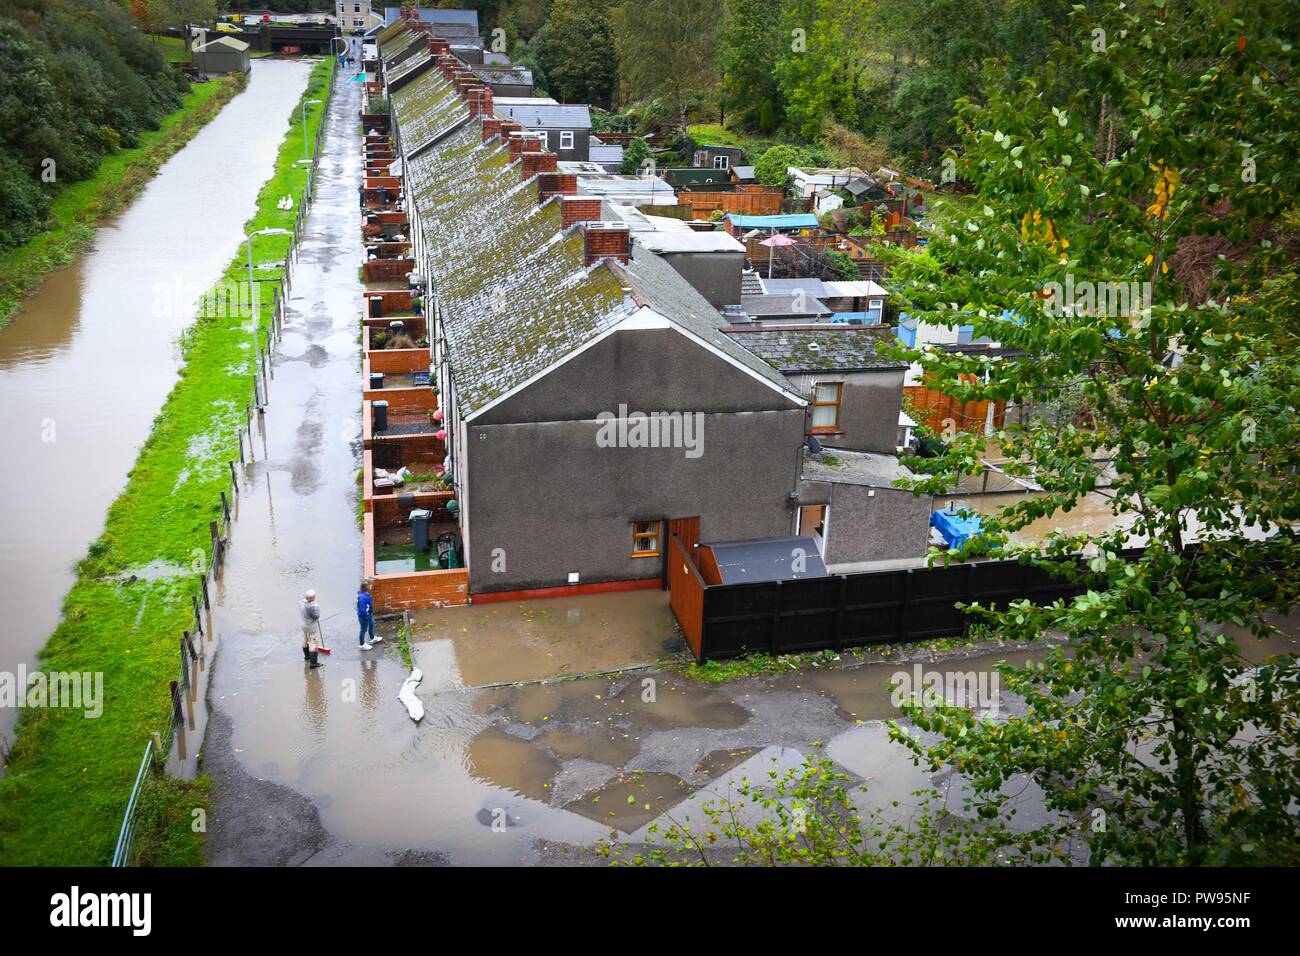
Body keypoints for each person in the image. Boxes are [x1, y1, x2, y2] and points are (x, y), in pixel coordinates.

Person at [299, 589, 323, 669]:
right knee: (314, 644)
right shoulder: (310, 607)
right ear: (313, 597)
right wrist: (316, 607)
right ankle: (313, 664)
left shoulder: (300, 602)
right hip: (311, 628)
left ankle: (307, 657)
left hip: (303, 626)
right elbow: (316, 616)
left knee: (305, 640)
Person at [356, 580, 382, 650]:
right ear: (366, 587)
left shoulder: (365, 594)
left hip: (369, 614)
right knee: (363, 629)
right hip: (364, 617)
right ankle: (362, 644)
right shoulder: (362, 598)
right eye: (370, 585)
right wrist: (366, 617)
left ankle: (372, 637)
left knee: (371, 624)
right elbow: (362, 610)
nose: (371, 586)